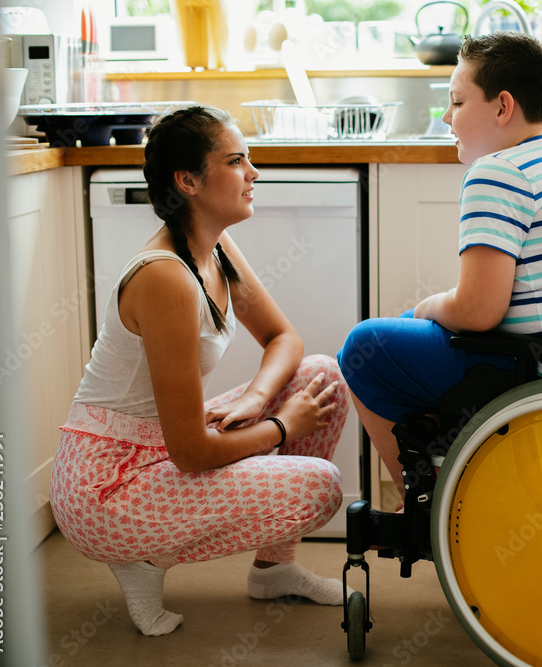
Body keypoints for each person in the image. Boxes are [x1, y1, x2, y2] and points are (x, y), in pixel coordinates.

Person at [50, 105, 351, 637]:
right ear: (188, 181)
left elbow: (285, 338)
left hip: (160, 448)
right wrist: (282, 429)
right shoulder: (164, 278)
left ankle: (273, 570)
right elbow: (191, 452)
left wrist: (257, 399)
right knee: (322, 488)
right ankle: (140, 555)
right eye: (237, 161)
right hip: (108, 486)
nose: (254, 174)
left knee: (321, 375)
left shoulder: (214, 247)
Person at [337, 33, 542, 500]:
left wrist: (429, 305)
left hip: (527, 364)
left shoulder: (496, 171)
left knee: (362, 345)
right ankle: (457, 481)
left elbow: (478, 312)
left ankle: (423, 508)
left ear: (503, 107)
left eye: (457, 102)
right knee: (402, 331)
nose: (447, 117)